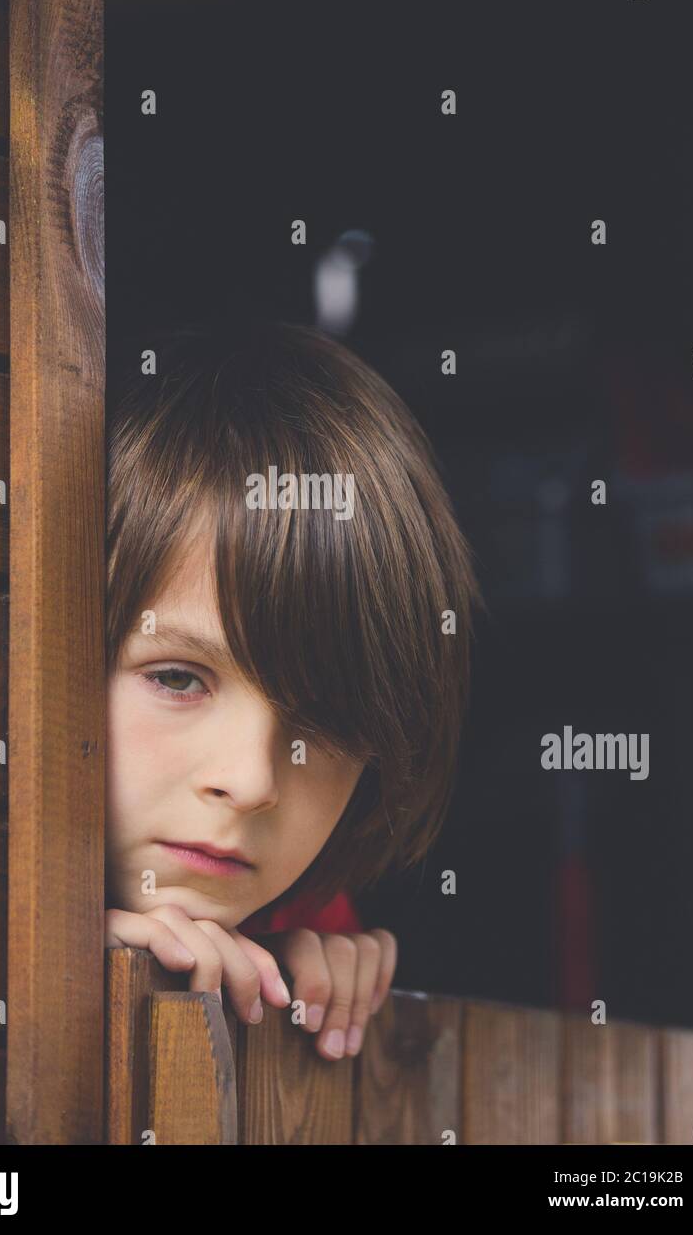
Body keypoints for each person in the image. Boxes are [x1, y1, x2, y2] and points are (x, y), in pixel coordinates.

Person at [104, 322, 481, 1061]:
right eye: (178, 678)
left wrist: (309, 963)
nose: (249, 782)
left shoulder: (308, 924)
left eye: (325, 722)